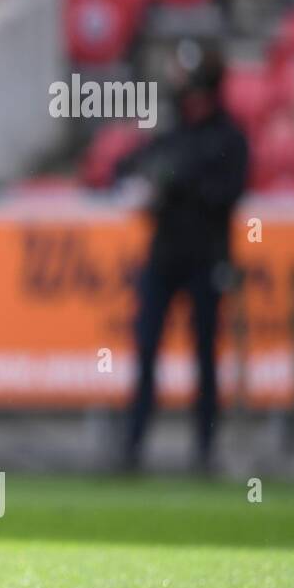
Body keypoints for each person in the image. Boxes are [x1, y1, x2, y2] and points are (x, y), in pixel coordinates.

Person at [116, 44, 249, 474]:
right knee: (146, 348)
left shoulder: (228, 136)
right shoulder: (170, 133)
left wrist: (178, 184)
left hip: (206, 257)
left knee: (205, 356)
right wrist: (151, 184)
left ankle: (205, 449)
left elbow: (226, 193)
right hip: (164, 254)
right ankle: (132, 447)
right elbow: (129, 167)